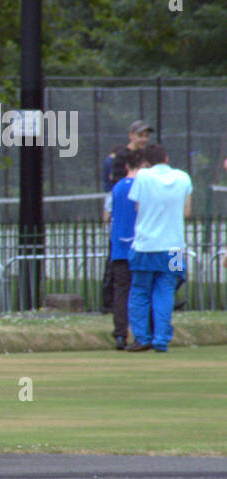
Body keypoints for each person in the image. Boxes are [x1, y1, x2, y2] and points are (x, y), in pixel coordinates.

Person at [125, 144, 192, 353]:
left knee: (140, 291)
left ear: (146, 161)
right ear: (166, 157)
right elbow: (187, 212)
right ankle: (161, 339)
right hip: (174, 247)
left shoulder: (143, 176)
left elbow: (137, 206)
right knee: (166, 291)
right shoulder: (183, 178)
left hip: (146, 245)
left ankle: (142, 337)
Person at [101, 121, 153, 312]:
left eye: (146, 136)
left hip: (145, 221)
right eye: (140, 135)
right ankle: (110, 302)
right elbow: (117, 187)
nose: (144, 139)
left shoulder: (147, 156)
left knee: (170, 270)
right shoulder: (122, 158)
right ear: (131, 135)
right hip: (126, 219)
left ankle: (160, 300)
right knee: (118, 262)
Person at [105, 148, 143, 350]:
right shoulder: (144, 187)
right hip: (143, 248)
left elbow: (110, 215)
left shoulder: (117, 188)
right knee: (143, 290)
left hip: (120, 248)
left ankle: (120, 334)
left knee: (122, 292)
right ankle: (145, 334)